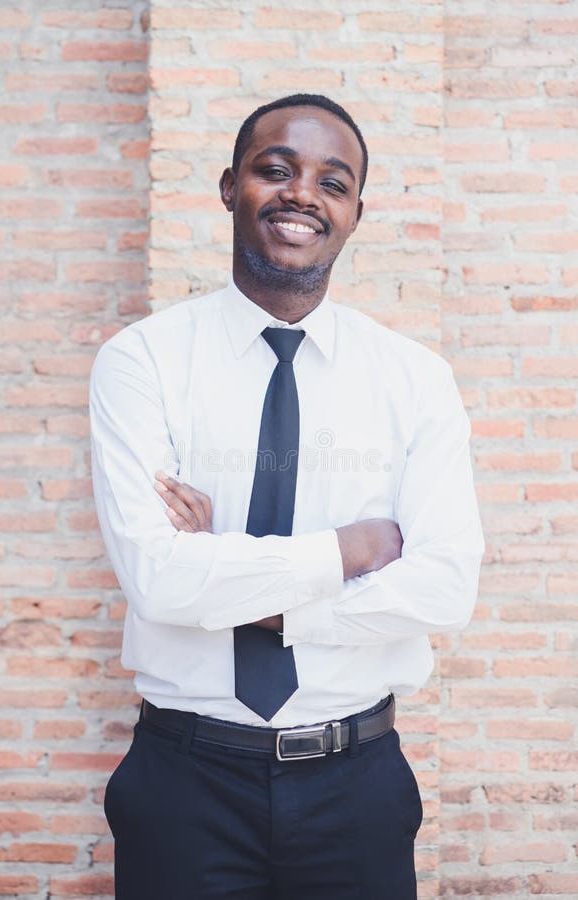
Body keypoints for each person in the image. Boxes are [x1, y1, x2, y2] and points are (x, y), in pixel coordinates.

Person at [89, 93, 484, 899]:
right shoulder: (143, 363)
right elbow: (158, 580)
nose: (303, 193)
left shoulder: (415, 381)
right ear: (231, 187)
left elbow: (445, 588)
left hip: (357, 785)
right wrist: (349, 553)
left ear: (355, 214)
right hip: (184, 784)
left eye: (332, 182)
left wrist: (251, 591)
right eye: (276, 170)